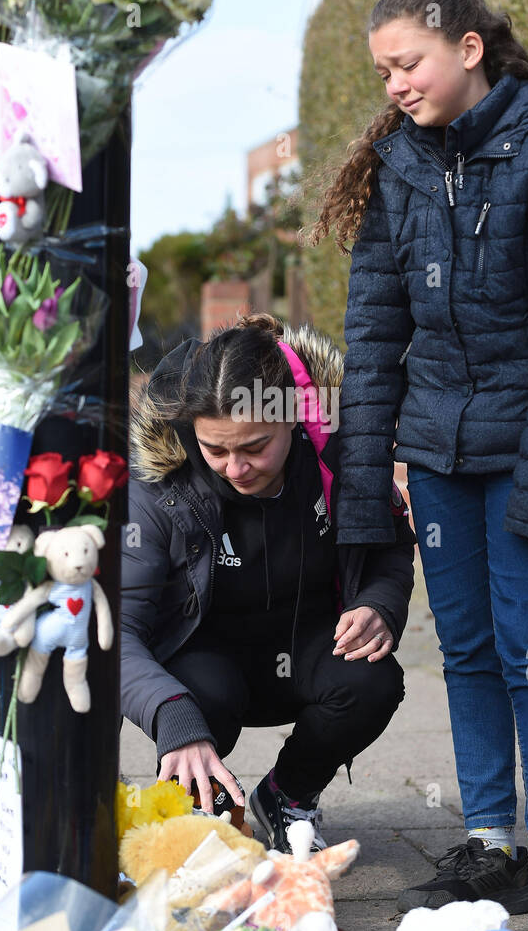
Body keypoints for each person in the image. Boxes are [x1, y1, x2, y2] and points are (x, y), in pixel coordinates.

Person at [310, 0, 528, 931]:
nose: (393, 83)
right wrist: (365, 481)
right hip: (434, 450)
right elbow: (374, 325)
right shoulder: (399, 164)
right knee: (468, 646)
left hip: (524, 441)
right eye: (383, 69)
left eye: (406, 62)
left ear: (467, 48)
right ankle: (487, 839)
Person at [121, 313, 415, 852]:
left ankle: (287, 796)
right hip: (203, 664)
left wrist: (380, 604)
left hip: (309, 648)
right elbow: (116, 632)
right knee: (198, 698)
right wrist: (172, 714)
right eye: (216, 449)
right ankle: (199, 807)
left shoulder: (341, 454)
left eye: (254, 446)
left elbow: (392, 547)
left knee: (372, 679)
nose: (235, 468)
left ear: (295, 419)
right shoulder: (158, 486)